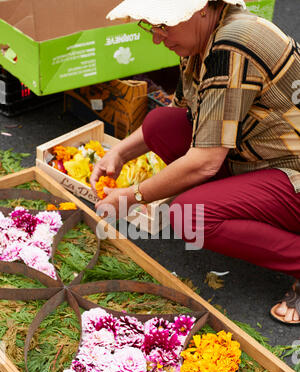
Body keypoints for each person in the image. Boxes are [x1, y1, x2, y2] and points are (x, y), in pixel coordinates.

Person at [90, 0, 300, 325]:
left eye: (163, 25)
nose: (157, 37)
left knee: (189, 217)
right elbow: (184, 113)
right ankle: (235, 208)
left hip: (293, 173)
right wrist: (119, 153)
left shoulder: (232, 46)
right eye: (151, 26)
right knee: (161, 124)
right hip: (258, 156)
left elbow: (203, 163)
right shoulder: (205, 37)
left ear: (200, 10)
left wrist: (134, 196)